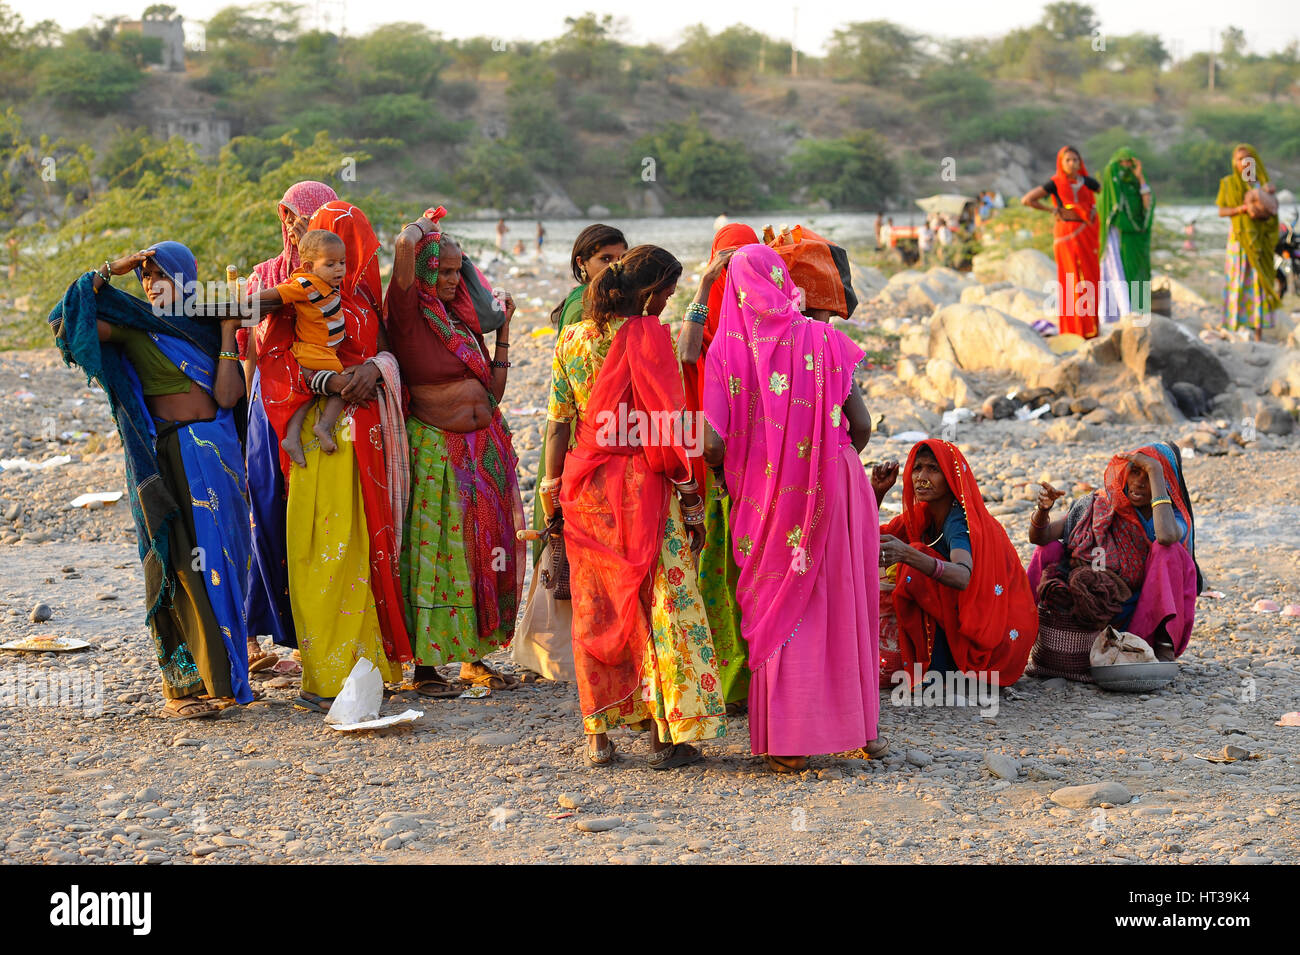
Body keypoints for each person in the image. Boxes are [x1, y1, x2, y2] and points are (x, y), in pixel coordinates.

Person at [49, 242, 252, 718]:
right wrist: (107, 270)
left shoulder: (206, 326)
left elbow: (227, 396)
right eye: (143, 275)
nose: (150, 282)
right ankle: (183, 689)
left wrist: (227, 330)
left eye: (160, 273)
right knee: (178, 562)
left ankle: (225, 679)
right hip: (165, 458)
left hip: (217, 458)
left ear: (186, 278)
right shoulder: (136, 325)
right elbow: (64, 324)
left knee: (225, 561)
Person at [702, 244, 883, 774]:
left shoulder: (726, 351)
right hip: (837, 480)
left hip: (768, 496)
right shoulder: (825, 339)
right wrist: (825, 454)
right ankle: (857, 729)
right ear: (783, 281)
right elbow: (863, 424)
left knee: (782, 603)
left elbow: (712, 444)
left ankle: (789, 739)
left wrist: (743, 469)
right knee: (843, 599)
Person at [543, 245, 726, 768]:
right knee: (663, 601)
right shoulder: (651, 338)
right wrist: (691, 499)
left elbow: (558, 420)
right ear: (649, 294)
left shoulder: (574, 336)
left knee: (596, 603)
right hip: (643, 485)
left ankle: (597, 734)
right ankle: (665, 732)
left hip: (586, 484)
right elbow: (667, 428)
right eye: (667, 293)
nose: (668, 304)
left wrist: (551, 488)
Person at [257, 200, 412, 712]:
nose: (354, 257)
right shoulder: (298, 293)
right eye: (342, 244)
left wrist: (372, 367)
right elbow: (275, 359)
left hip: (364, 440)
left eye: (358, 244)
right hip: (322, 441)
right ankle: (325, 676)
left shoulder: (363, 299)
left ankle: (365, 668)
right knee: (323, 548)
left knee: (360, 551)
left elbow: (391, 355)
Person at [387, 208, 525, 696]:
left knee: (479, 554)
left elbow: (493, 391)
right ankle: (426, 665)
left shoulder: (461, 322)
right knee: (436, 556)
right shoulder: (407, 317)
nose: (451, 279)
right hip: (436, 450)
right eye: (442, 270)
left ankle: (473, 658)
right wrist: (425, 225)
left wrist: (503, 331)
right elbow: (404, 246)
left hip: (483, 450)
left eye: (456, 270)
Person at [513, 224, 628, 682]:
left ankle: (564, 653)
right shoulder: (592, 309)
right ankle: (580, 654)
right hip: (592, 443)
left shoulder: (595, 305)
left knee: (572, 550)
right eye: (605, 260)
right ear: (583, 263)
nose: (615, 268)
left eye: (622, 259)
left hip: (575, 439)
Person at [240, 180, 338, 669]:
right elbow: (248, 349)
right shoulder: (265, 275)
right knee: (266, 509)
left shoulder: (341, 272)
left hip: (320, 400)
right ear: (285, 217)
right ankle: (257, 632)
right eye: (300, 217)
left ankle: (310, 632)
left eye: (322, 217)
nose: (304, 226)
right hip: (268, 404)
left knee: (312, 515)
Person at [873, 440, 1037, 688]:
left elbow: (962, 576)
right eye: (917, 469)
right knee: (906, 562)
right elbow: (869, 539)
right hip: (964, 617)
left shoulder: (958, 522)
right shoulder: (924, 515)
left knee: (915, 566)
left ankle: (940, 671)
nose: (922, 477)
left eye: (933, 469)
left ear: (951, 477)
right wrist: (877, 492)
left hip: (993, 636)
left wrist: (908, 555)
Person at [1027, 442, 1200, 664]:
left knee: (1168, 550)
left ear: (1165, 482)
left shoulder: (1174, 518)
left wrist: (1155, 469)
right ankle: (1022, 630)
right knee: (1048, 549)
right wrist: (1043, 511)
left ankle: (1161, 647)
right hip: (1089, 607)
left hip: (1136, 617)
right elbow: (1039, 538)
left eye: (1149, 476)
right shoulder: (1102, 504)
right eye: (1135, 472)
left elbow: (1166, 536)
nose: (1138, 482)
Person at [677, 223, 756, 709]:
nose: (734, 269)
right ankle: (724, 682)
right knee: (716, 567)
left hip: (758, 461)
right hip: (713, 454)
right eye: (726, 258)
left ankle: (752, 680)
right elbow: (686, 353)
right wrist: (706, 284)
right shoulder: (710, 318)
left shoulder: (768, 313)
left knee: (751, 570)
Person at [250, 229, 350, 467]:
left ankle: (292, 437)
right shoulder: (306, 284)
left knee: (308, 395)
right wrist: (245, 301)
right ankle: (324, 426)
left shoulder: (324, 283)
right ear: (308, 266)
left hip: (320, 354)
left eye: (342, 263)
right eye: (331, 264)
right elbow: (279, 293)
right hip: (316, 354)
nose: (339, 269)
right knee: (344, 387)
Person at [1021, 146, 1101, 338]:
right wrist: (1052, 210)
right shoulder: (1055, 184)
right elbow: (1028, 200)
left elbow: (1105, 197)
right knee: (1071, 280)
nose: (1073, 163)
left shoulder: (1089, 183)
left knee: (1089, 278)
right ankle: (1073, 329)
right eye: (1068, 160)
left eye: (1076, 160)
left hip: (1086, 234)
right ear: (1061, 163)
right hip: (1066, 234)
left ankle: (1090, 328)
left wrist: (1094, 210)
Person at [1217, 144, 1280, 340]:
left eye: (1247, 158)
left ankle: (1259, 332)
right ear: (1234, 163)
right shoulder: (1228, 183)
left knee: (1258, 283)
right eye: (1239, 159)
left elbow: (1273, 214)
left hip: (1260, 241)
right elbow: (1222, 211)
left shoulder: (1262, 184)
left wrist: (1267, 196)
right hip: (1239, 240)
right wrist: (1242, 209)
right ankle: (1235, 328)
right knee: (1237, 282)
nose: (1243, 163)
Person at [1097, 147, 1155, 323]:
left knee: (1140, 273)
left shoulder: (1136, 184)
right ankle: (1121, 315)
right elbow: (1110, 211)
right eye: (1122, 162)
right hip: (1119, 237)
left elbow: (1148, 205)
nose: (1126, 166)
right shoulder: (1111, 189)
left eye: (1130, 162)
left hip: (1138, 237)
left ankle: (1141, 313)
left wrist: (1140, 177)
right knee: (1119, 274)